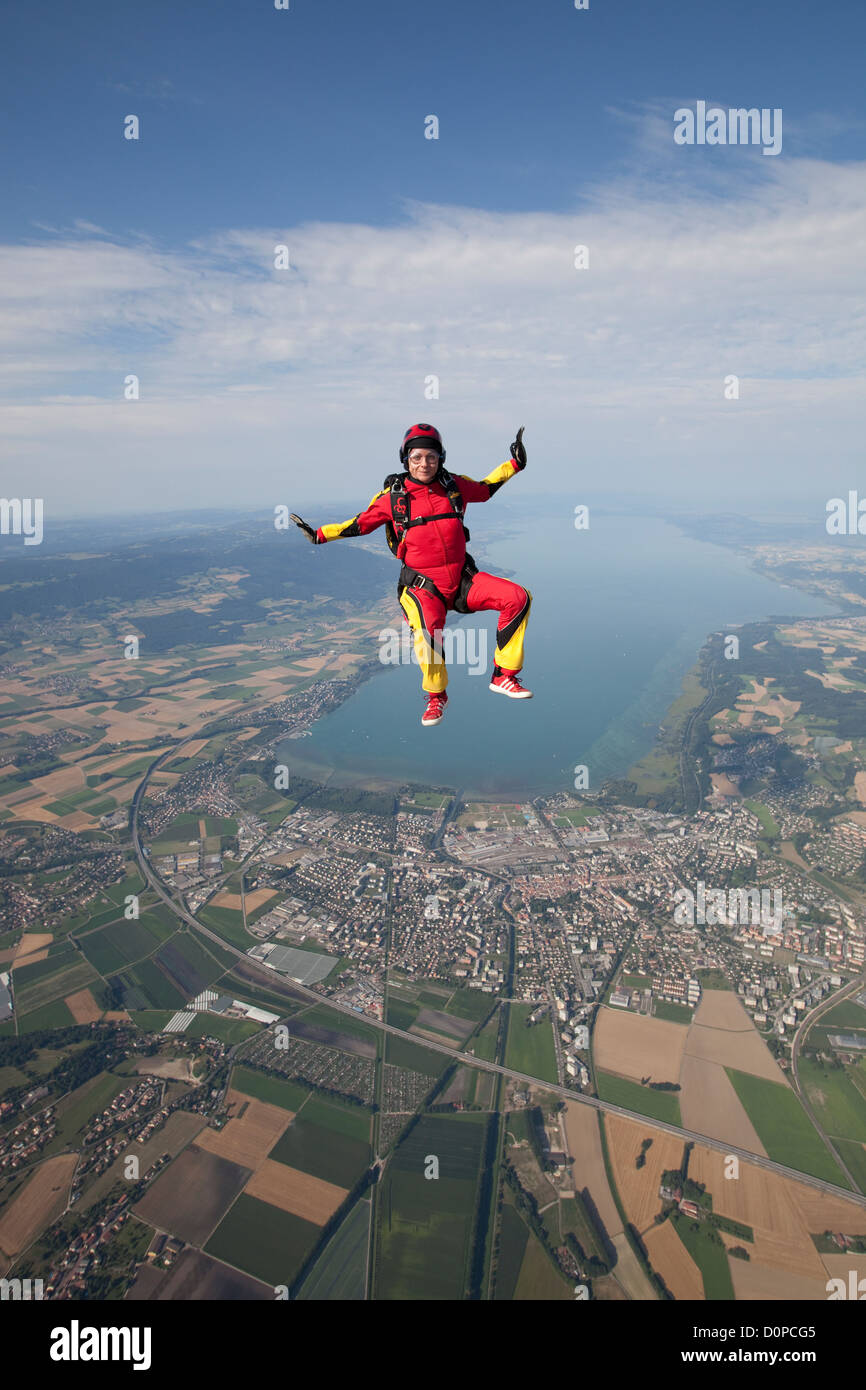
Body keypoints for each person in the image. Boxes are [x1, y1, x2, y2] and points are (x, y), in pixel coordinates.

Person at [290, 423, 533, 727]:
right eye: (416, 457)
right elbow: (360, 524)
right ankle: (436, 697)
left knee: (517, 597)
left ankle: (504, 675)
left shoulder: (453, 485)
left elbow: (485, 489)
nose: (424, 463)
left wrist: (515, 465)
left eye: (430, 457)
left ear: (440, 458)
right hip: (422, 586)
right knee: (428, 633)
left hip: (462, 580)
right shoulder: (394, 498)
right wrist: (320, 535)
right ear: (405, 460)